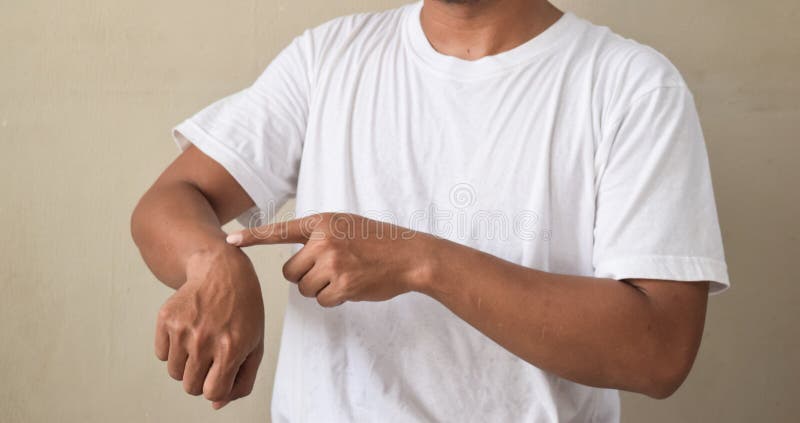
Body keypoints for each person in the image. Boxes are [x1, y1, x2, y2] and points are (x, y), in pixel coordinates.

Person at [130, 0, 729, 421]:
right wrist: (214, 263)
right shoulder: (327, 59)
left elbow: (661, 351)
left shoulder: (633, 87)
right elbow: (171, 201)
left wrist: (420, 261)